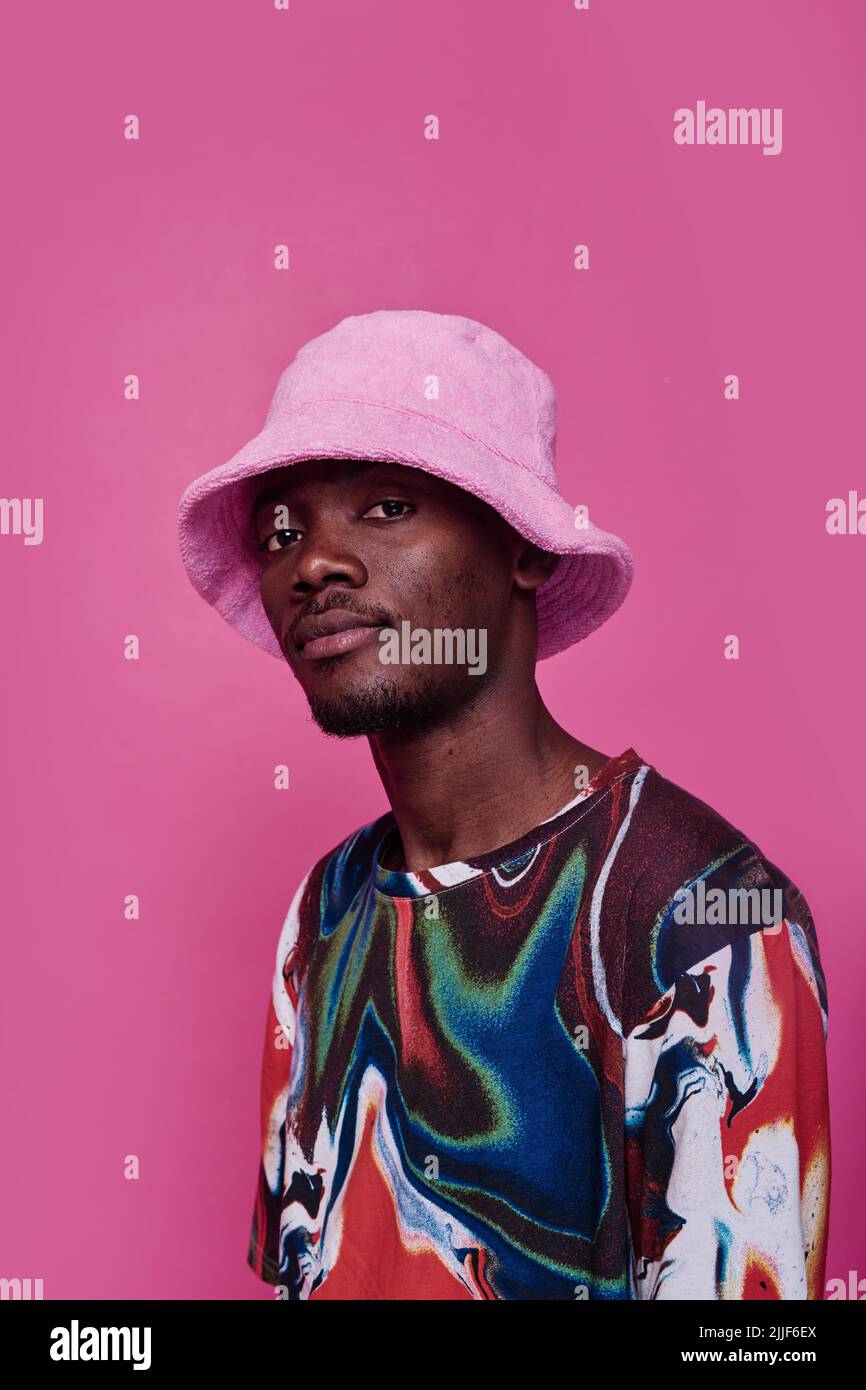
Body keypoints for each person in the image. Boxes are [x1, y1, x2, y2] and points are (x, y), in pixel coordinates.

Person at [177, 309, 830, 1300]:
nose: (311, 562)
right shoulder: (327, 908)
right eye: (281, 528)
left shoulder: (701, 917)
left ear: (525, 547)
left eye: (387, 506)